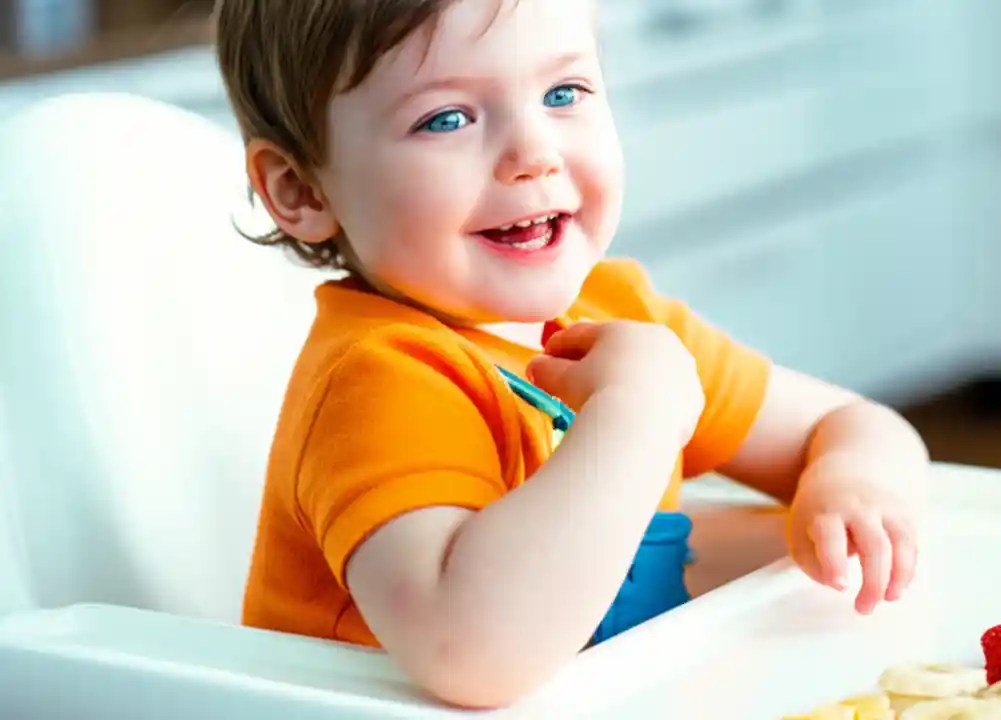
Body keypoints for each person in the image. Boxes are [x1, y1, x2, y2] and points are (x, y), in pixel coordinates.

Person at [213, 0, 930, 709]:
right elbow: (473, 656)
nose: (533, 156)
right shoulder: (381, 378)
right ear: (300, 189)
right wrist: (636, 414)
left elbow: (850, 424)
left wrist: (852, 487)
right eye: (447, 119)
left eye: (564, 93)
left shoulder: (619, 318)